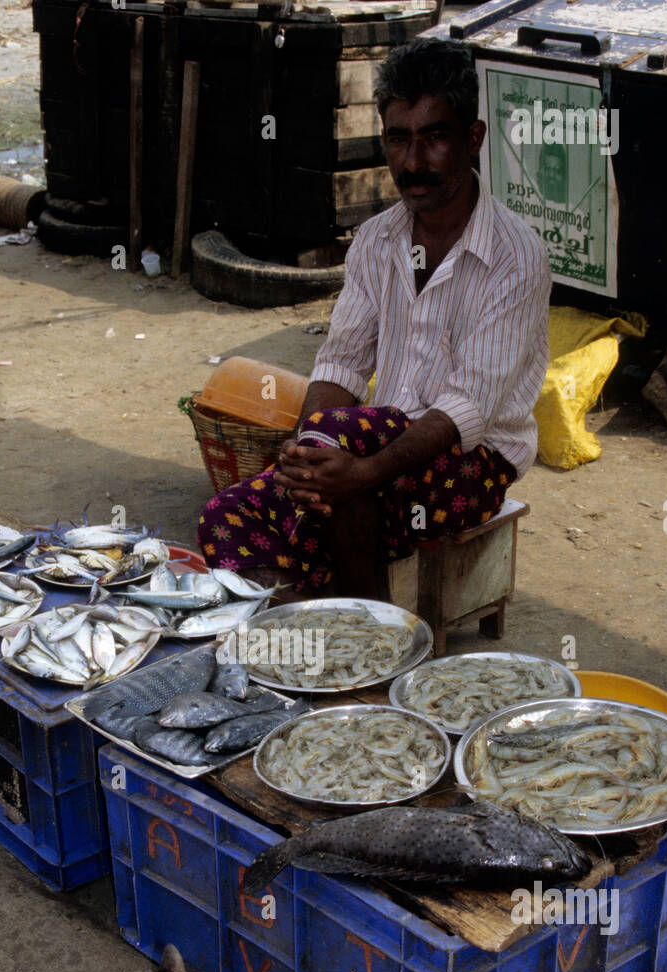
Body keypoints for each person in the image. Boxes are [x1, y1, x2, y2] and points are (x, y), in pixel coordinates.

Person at [197, 38, 551, 598]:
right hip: (376, 442)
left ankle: (374, 640)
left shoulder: (516, 256)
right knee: (224, 514)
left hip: (474, 461)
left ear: (472, 138)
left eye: (434, 137)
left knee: (335, 473)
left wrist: (353, 468)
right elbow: (341, 363)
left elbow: (469, 410)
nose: (413, 163)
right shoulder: (375, 239)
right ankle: (305, 639)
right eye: (398, 139)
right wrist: (310, 454)